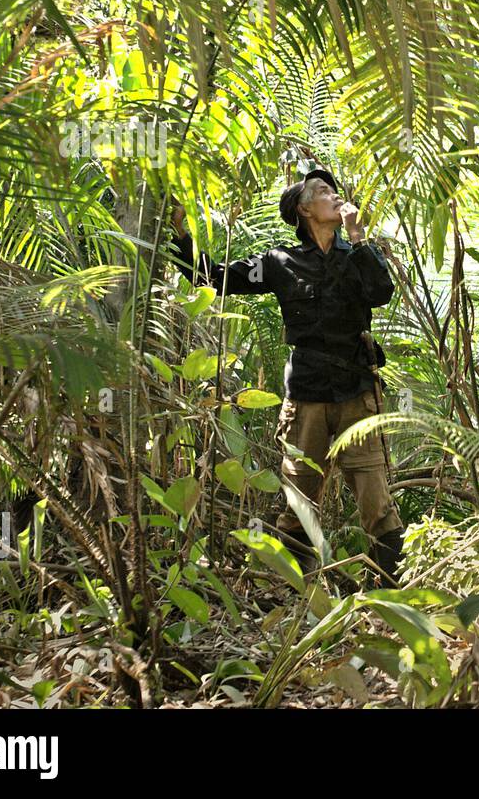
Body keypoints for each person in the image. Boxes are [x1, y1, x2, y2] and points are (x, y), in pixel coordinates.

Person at [169, 168, 404, 587]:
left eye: (334, 190)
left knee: (376, 499)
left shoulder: (356, 256)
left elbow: (381, 292)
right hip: (307, 395)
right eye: (321, 191)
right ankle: (296, 593)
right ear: (303, 209)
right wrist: (181, 236)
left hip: (357, 395)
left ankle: (390, 594)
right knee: (299, 498)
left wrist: (360, 236)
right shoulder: (279, 263)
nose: (333, 196)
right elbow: (217, 277)